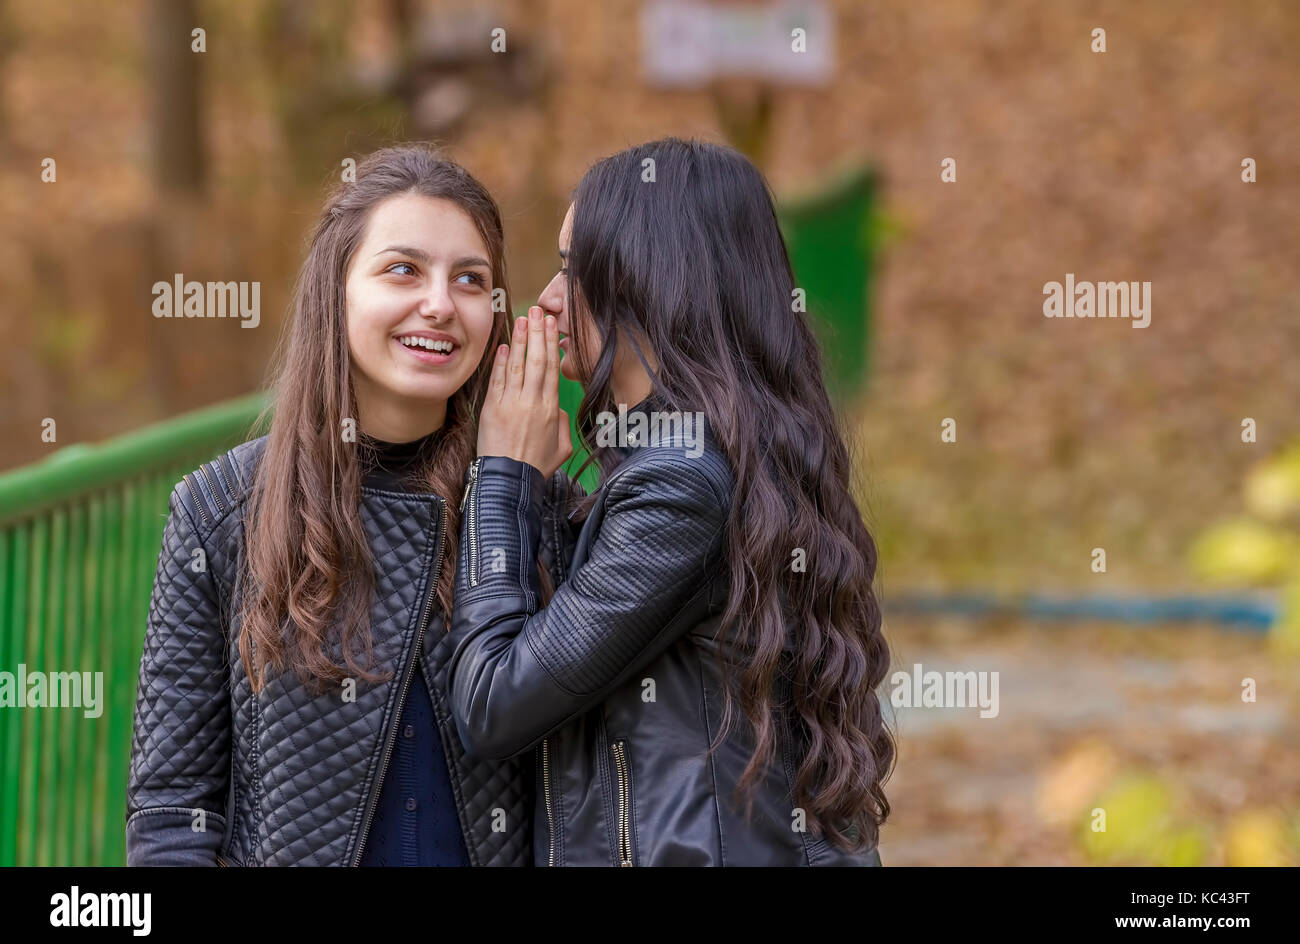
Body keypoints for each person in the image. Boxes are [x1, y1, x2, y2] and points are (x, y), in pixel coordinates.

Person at [448, 137, 894, 866]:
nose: (549, 300)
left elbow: (494, 704)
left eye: (570, 268)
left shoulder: (683, 482)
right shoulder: (725, 453)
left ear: (647, 277)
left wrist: (501, 473)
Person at [125, 144, 532, 866]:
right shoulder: (219, 512)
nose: (439, 303)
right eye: (403, 269)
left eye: (470, 279)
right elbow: (171, 811)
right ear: (335, 290)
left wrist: (512, 482)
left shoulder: (526, 504)